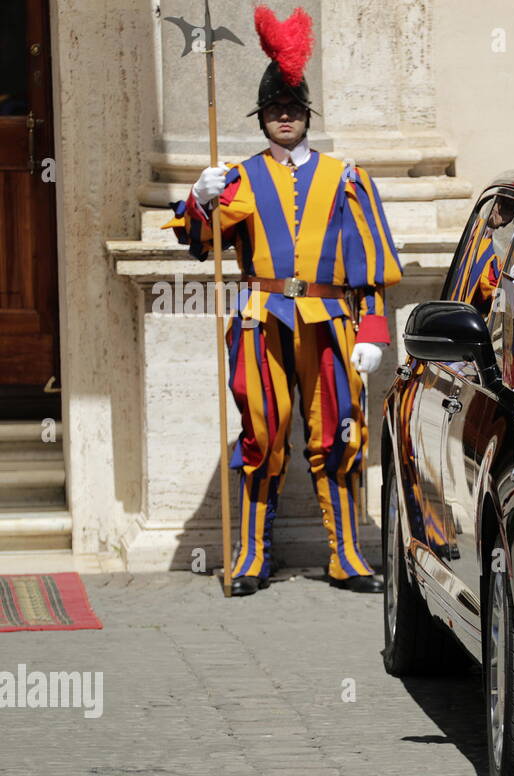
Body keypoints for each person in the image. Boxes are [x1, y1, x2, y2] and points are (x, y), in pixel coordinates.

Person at [164, 6, 401, 596]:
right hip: (260, 318)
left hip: (331, 319)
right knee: (261, 435)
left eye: (293, 109)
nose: (285, 118)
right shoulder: (237, 178)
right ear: (263, 119)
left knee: (341, 434)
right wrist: (198, 197)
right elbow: (200, 241)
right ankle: (249, 556)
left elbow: (368, 265)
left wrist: (372, 331)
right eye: (275, 110)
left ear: (306, 116)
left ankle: (346, 554)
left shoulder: (348, 177)